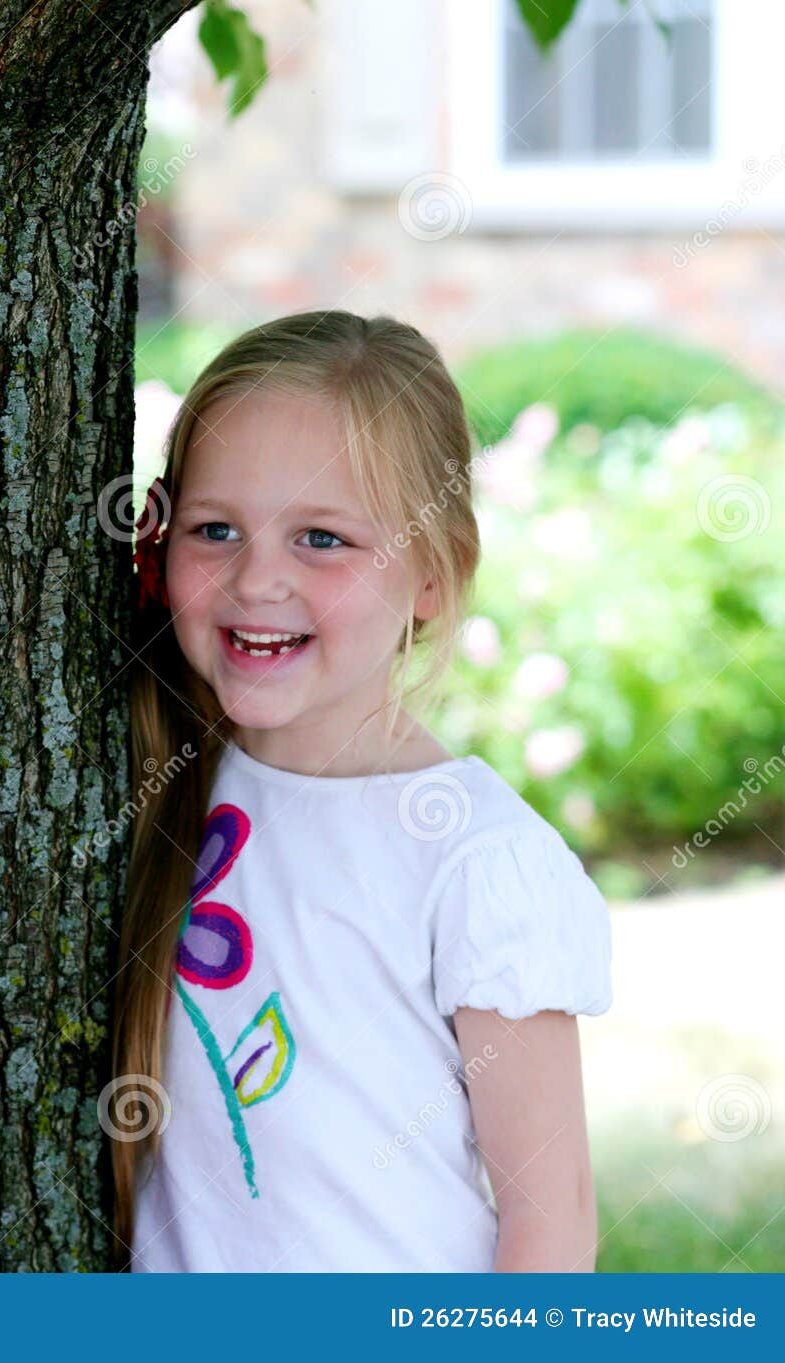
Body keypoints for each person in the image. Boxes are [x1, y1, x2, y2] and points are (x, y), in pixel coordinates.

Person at [113, 310, 612, 1271]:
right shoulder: (168, 774)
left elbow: (553, 1222)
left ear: (432, 572)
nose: (258, 579)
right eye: (216, 530)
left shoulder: (475, 860)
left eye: (323, 539)